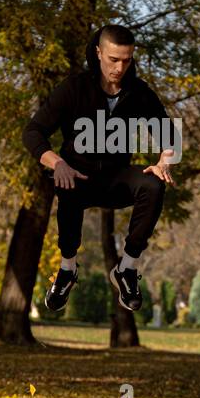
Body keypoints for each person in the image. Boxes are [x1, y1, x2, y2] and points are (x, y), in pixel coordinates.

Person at [23, 25, 178, 312]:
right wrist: (57, 163)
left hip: (116, 179)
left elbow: (170, 135)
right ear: (98, 53)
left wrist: (163, 162)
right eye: (113, 59)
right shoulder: (74, 88)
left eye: (127, 60)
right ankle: (67, 270)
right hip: (78, 177)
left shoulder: (139, 92)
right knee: (66, 183)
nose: (120, 67)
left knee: (153, 184)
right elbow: (33, 132)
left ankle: (127, 269)